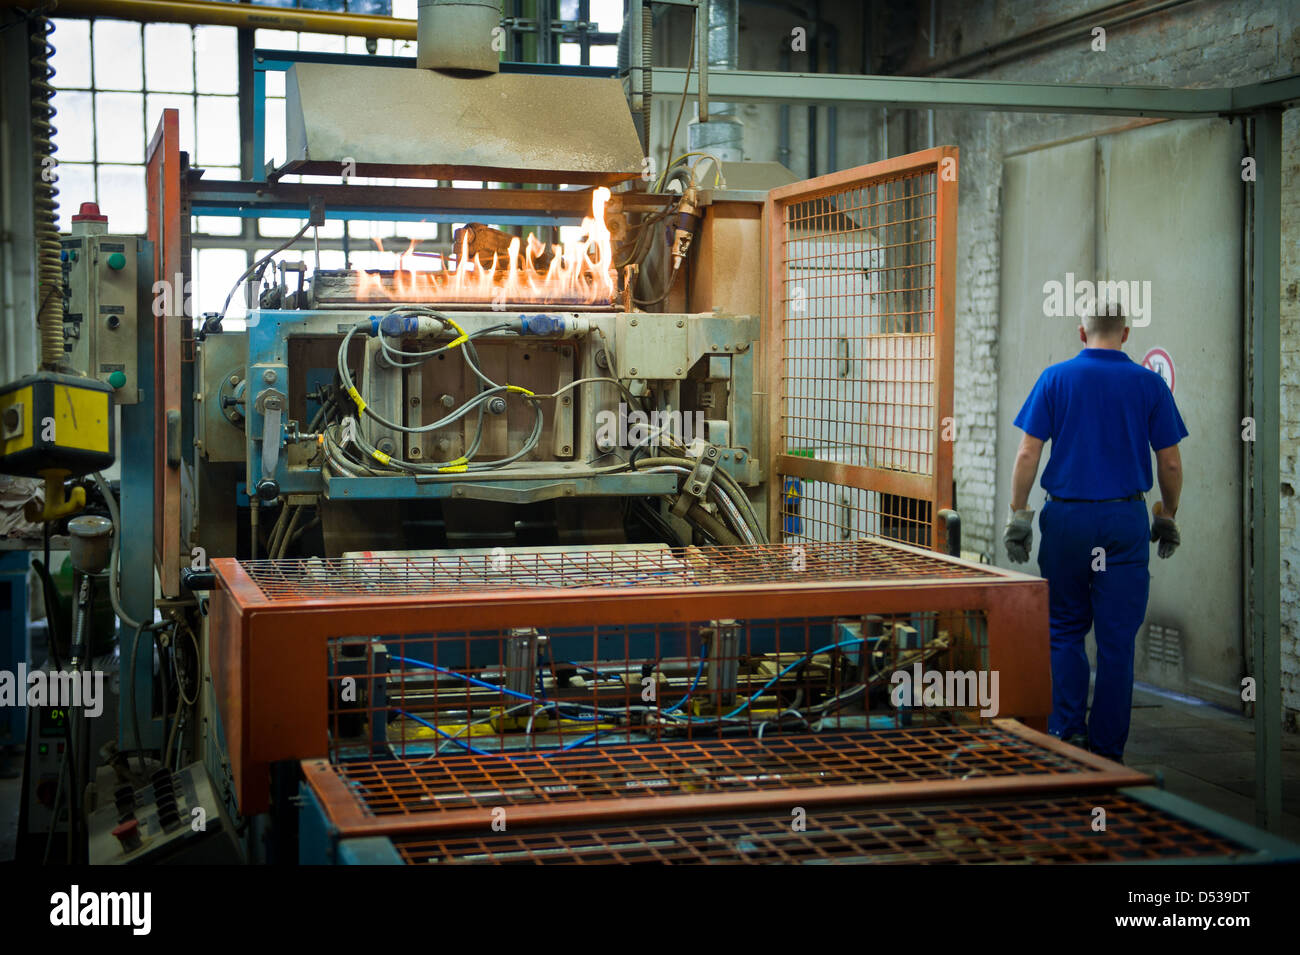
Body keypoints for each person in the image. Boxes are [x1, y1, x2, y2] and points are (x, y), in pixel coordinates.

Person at [1004, 301, 1186, 763]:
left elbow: (1028, 454)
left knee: (1064, 628)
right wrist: (1166, 516)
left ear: (1081, 334)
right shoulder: (1149, 385)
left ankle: (1069, 736)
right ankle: (1108, 753)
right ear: (1125, 334)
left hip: (1068, 520)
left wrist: (1019, 514)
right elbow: (1169, 460)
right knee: (1117, 641)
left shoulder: (1055, 379)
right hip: (1124, 522)